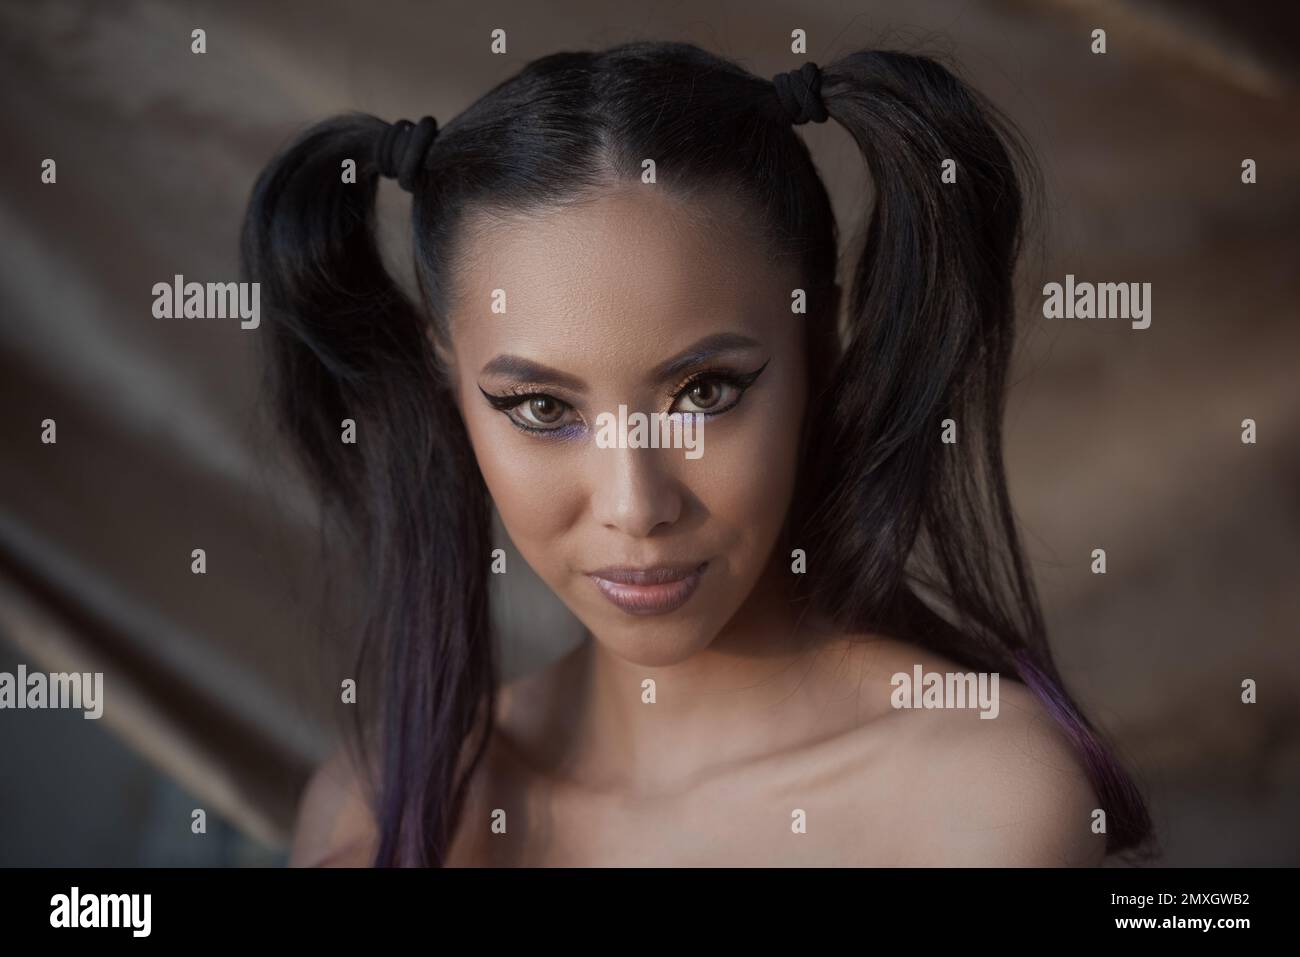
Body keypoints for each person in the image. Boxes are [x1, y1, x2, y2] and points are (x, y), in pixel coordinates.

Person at [240, 41, 1153, 866]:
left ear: (816, 348)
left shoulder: (979, 799)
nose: (636, 505)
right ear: (449, 382)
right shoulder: (372, 809)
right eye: (541, 407)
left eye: (704, 393)